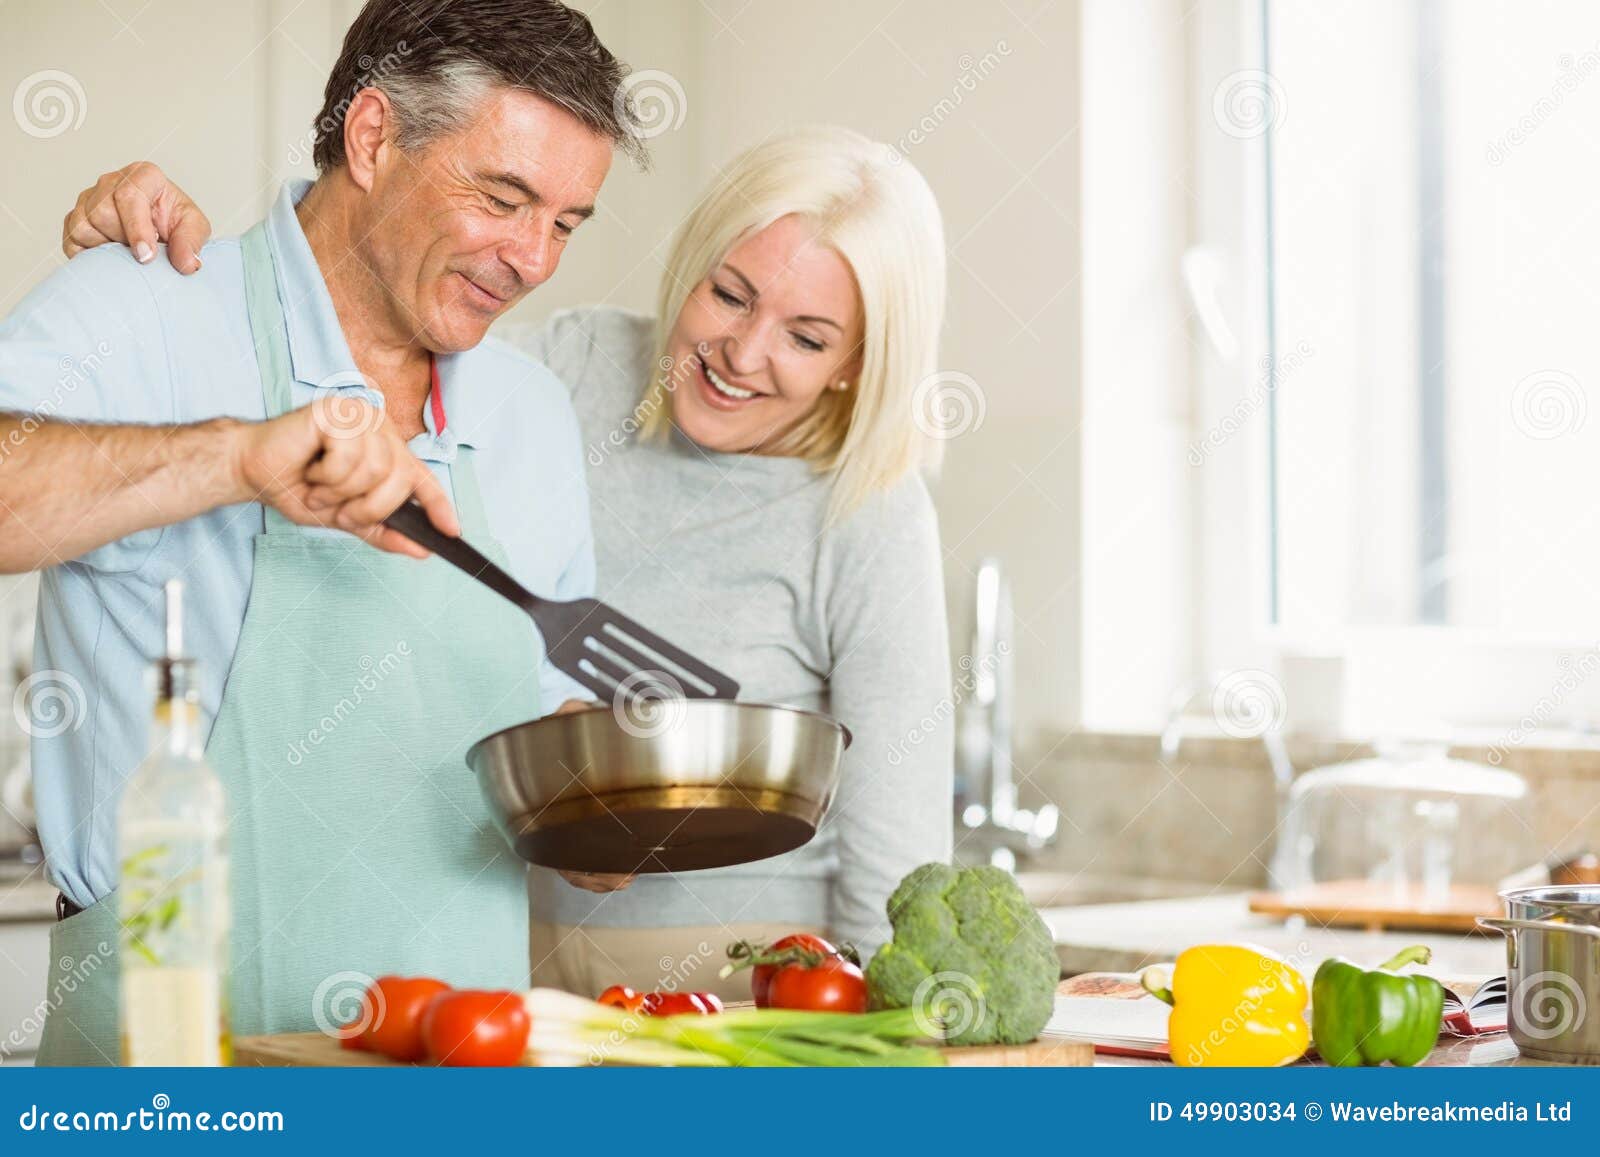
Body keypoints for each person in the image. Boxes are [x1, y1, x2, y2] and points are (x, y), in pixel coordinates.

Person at [73, 126, 957, 1001]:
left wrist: (888, 1044)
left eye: (806, 338)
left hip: (744, 990)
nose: (743, 353)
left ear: (854, 364)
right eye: (729, 294)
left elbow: (898, 838)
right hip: (509, 958)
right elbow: (355, 352)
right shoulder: (573, 368)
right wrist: (187, 284)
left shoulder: (868, 510)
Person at [0, 0, 639, 1064]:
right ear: (375, 136)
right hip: (166, 1067)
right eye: (503, 197)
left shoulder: (530, 415)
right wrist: (236, 458)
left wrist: (602, 818)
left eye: (567, 222)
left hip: (458, 1072)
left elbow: (533, 740)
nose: (533, 257)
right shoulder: (145, 307)